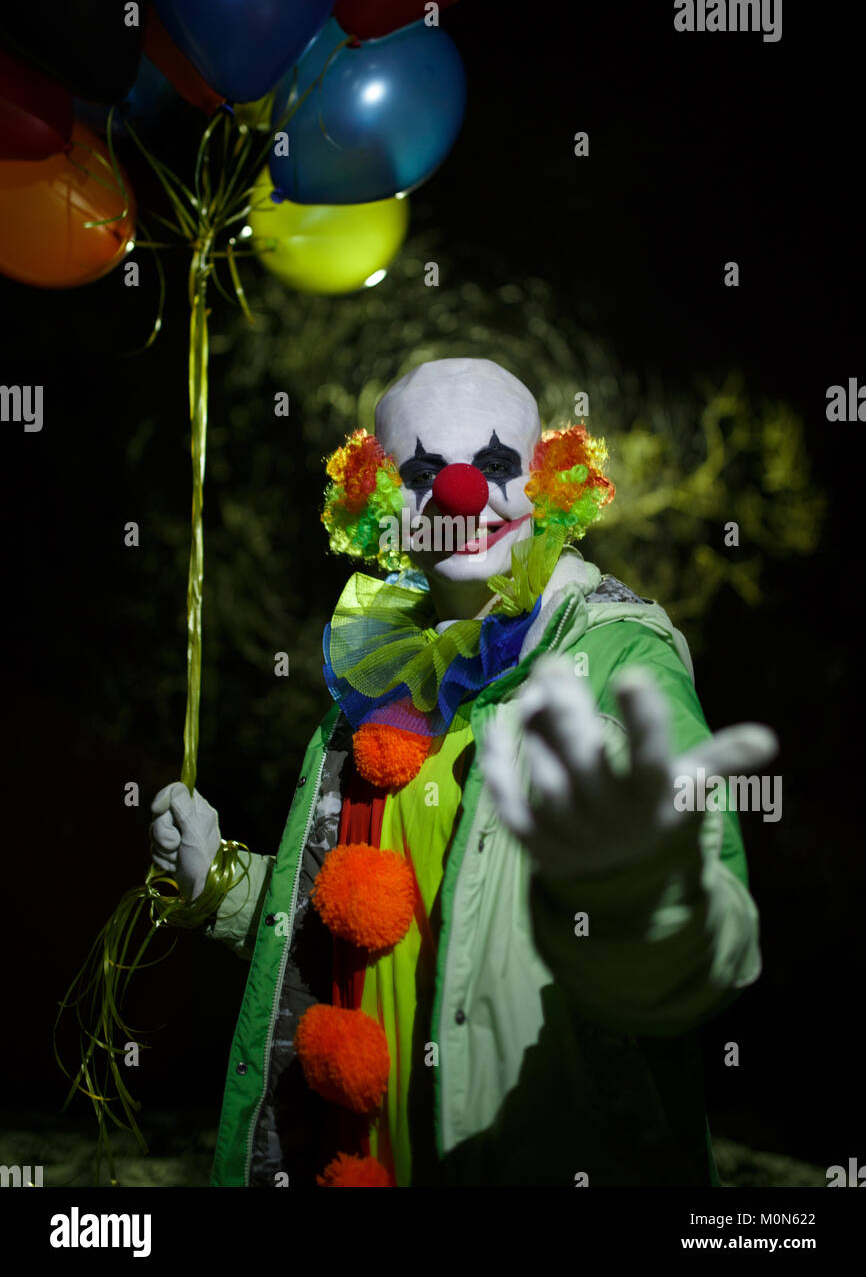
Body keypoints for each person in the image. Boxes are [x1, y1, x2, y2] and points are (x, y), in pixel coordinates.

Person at [150, 357, 776, 1188]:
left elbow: (714, 939)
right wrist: (222, 885)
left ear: (550, 483)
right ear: (380, 502)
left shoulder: (619, 659)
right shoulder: (378, 674)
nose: (459, 497)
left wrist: (647, 892)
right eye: (420, 472)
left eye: (492, 466)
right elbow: (359, 909)